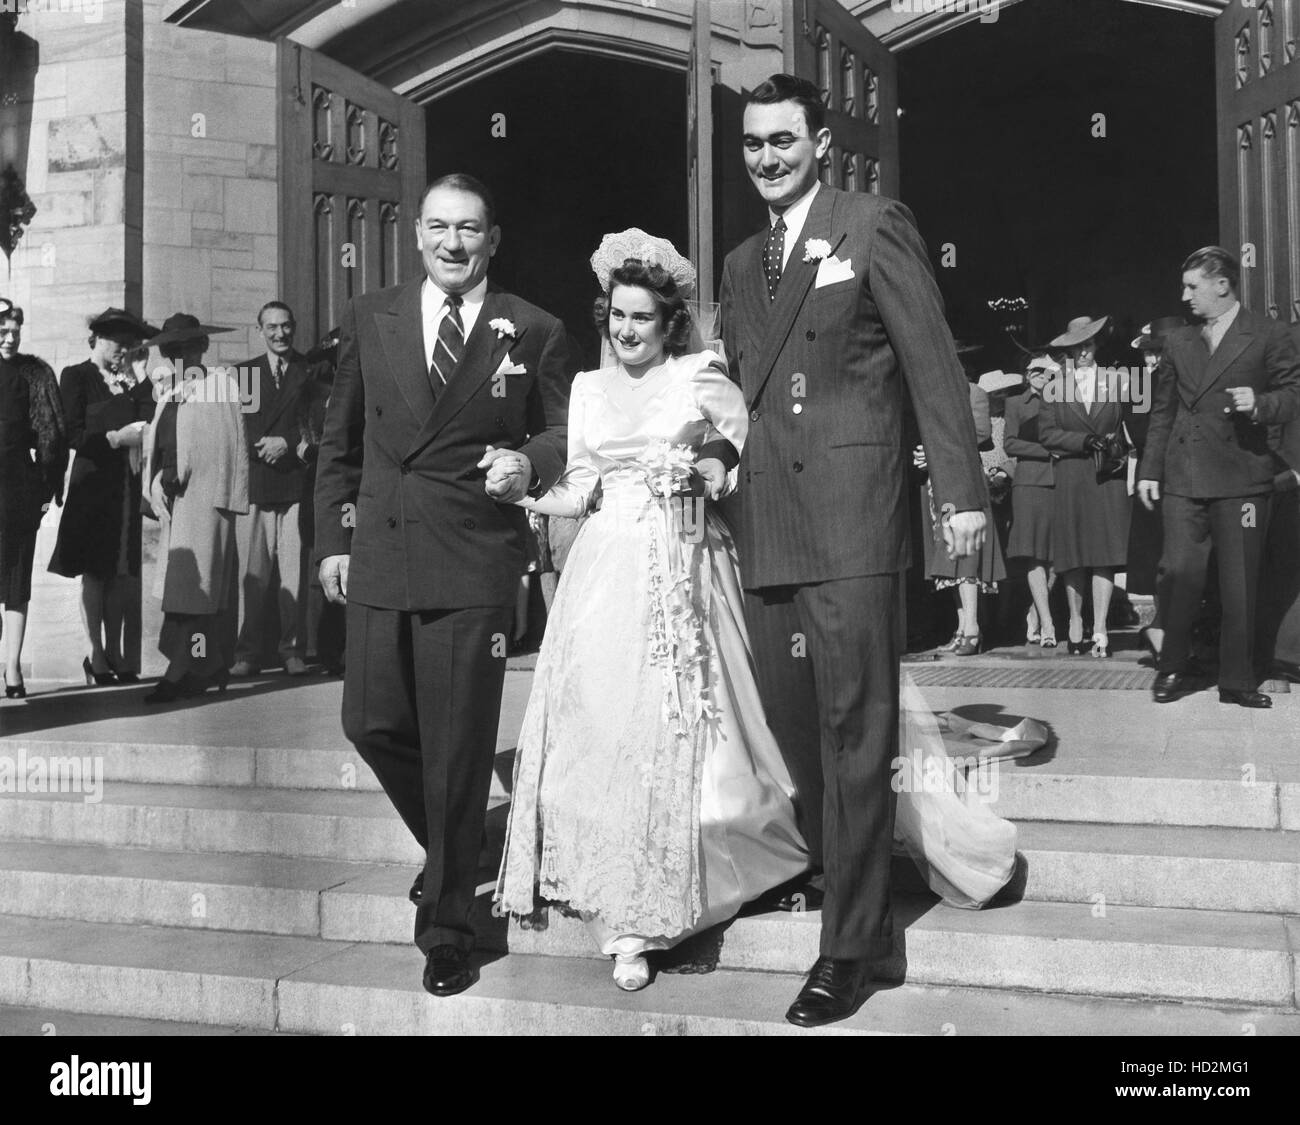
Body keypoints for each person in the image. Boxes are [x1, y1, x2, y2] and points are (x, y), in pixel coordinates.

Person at [497, 232, 1023, 994]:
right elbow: (580, 487)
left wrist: (710, 468)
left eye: (643, 317)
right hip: (605, 573)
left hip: (687, 566)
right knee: (610, 727)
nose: (627, 330)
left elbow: (749, 452)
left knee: (695, 724)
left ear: (670, 320)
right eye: (617, 316)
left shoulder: (699, 375)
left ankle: (698, 883)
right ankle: (621, 886)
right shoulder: (585, 390)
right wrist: (523, 488)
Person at [717, 73, 989, 1028]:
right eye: (752, 143)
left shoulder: (872, 224)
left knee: (857, 732)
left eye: (782, 140)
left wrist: (960, 495)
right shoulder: (741, 259)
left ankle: (855, 946)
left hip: (853, 519)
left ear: (820, 143)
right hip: (768, 526)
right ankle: (841, 874)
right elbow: (730, 394)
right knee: (800, 736)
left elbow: (931, 364)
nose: (766, 157)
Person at [314, 173, 572, 998]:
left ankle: (451, 928)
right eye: (437, 227)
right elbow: (338, 439)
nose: (452, 243)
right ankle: (456, 851)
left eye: (469, 229)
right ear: (417, 235)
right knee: (370, 720)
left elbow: (570, 427)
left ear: (492, 239)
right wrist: (330, 539)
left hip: (471, 558)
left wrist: (528, 461)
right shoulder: (373, 315)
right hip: (382, 552)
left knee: (460, 748)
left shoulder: (533, 327)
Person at [1137, 246, 1300, 708]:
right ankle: (1171, 668)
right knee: (1181, 574)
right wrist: (1150, 470)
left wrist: (1262, 403)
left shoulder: (1268, 334)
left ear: (1222, 285)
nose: (1184, 295)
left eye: (1192, 286)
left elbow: (1294, 393)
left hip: (1243, 480)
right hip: (1183, 480)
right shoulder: (1178, 342)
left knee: (1239, 584)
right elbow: (1163, 412)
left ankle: (1237, 680)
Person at [141, 314, 247, 704]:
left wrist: (185, 472)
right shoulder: (168, 394)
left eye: (188, 346)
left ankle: (182, 669)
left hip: (203, 501)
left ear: (201, 347)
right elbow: (159, 445)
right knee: (182, 593)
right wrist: (155, 484)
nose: (181, 355)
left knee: (196, 594)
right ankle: (204, 666)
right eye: (173, 349)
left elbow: (227, 445)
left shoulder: (220, 385)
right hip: (174, 502)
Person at [48, 308, 157, 684]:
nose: (121, 350)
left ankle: (117, 653)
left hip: (125, 486)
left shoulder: (129, 382)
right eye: (114, 341)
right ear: (95, 338)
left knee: (120, 573)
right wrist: (113, 438)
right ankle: (95, 654)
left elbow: (151, 417)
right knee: (94, 572)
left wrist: (141, 377)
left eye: (127, 344)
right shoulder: (77, 377)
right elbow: (72, 432)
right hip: (92, 483)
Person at [228, 301, 330, 678]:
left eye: (285, 326)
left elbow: (321, 420)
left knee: (294, 576)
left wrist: (288, 442)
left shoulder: (312, 370)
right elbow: (242, 425)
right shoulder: (247, 374)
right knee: (252, 578)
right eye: (271, 327)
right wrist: (267, 444)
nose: (279, 333)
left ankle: (292, 650)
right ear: (260, 331)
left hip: (295, 485)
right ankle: (248, 653)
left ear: (295, 327)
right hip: (257, 484)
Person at [1039, 315, 1130, 658]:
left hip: (1107, 475)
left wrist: (1117, 445)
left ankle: (1102, 627)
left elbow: (1132, 423)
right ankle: (1076, 621)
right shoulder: (1055, 385)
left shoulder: (1117, 380)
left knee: (1103, 553)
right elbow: (1047, 435)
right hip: (1073, 475)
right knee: (1074, 553)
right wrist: (1083, 440)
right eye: (1076, 347)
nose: (1083, 352)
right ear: (1068, 350)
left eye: (1088, 345)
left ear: (1096, 346)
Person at [0, 299, 67, 697]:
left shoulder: (33, 374)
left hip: (17, 490)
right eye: (3, 331)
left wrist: (44, 487)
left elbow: (52, 434)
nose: (10, 338)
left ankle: (12, 669)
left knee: (15, 582)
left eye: (15, 331)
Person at [918, 372, 1004, 655]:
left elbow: (981, 432)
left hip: (962, 477)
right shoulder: (926, 390)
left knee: (965, 553)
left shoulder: (973, 392)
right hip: (935, 482)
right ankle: (961, 626)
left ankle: (972, 627)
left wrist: (934, 447)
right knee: (947, 551)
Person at [1125, 317, 1185, 661]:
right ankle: (1163, 628)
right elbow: (1143, 433)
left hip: (1183, 478)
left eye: (1157, 353)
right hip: (1154, 481)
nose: (1151, 361)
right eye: (1147, 355)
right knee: (1161, 557)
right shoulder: (1141, 389)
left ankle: (1173, 629)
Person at [1004, 356, 1059, 647]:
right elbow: (1009, 443)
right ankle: (1048, 623)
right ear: (1027, 374)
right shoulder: (1015, 404)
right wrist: (1048, 450)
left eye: (1046, 371)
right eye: (1036, 371)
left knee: (1055, 556)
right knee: (1035, 553)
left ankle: (1036, 613)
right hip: (1029, 484)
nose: (1041, 375)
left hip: (1058, 483)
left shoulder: (1061, 401)